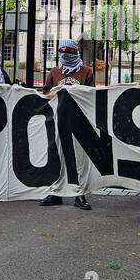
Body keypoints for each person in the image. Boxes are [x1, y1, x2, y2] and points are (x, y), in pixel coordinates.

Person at [41, 39, 96, 209]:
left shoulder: (86, 71)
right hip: (58, 121)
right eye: (63, 51)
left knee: (78, 160)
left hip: (79, 122)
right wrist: (55, 92)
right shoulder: (55, 72)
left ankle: (79, 194)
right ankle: (56, 192)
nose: (66, 55)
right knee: (57, 156)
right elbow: (45, 94)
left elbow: (91, 96)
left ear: (76, 52)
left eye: (70, 51)